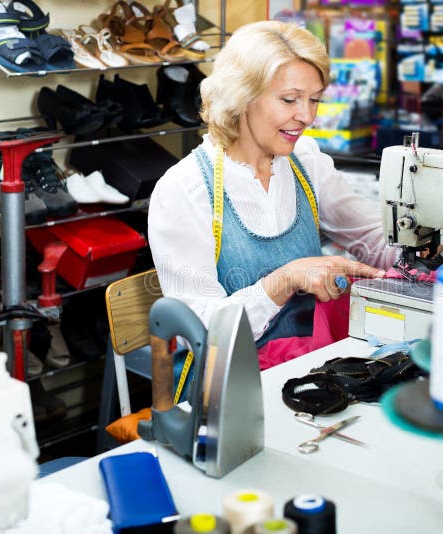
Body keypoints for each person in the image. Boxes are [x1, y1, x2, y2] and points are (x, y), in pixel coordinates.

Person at [148, 20, 399, 368]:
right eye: (289, 99)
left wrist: (433, 248)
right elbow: (202, 332)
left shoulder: (305, 161)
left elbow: (372, 241)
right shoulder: (186, 189)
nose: (306, 116)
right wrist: (285, 280)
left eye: (314, 100)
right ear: (242, 96)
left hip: (312, 360)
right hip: (229, 380)